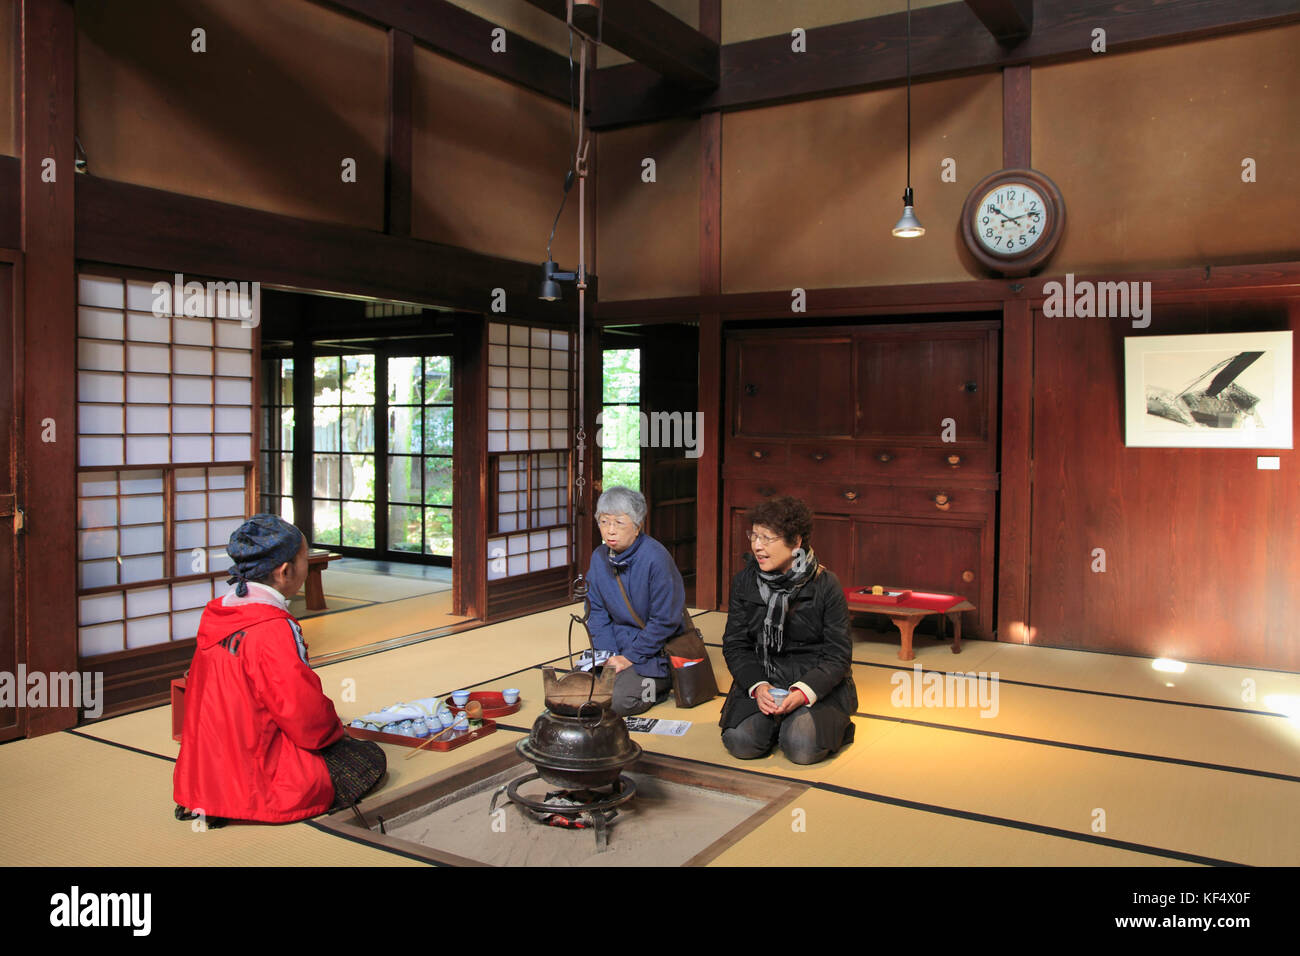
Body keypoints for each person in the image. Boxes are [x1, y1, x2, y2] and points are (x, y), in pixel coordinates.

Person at [173, 514, 385, 825]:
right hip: (259, 781)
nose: (307, 566)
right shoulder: (272, 628)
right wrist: (334, 730)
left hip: (202, 775)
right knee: (369, 759)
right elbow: (302, 715)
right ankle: (243, 805)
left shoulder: (218, 614)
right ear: (285, 571)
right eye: (305, 559)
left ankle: (211, 803)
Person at [719, 496, 856, 765]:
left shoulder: (826, 585)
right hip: (764, 677)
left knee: (802, 749)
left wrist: (803, 692)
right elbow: (736, 645)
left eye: (767, 538)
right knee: (742, 743)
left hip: (813, 682)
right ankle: (774, 720)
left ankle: (794, 724)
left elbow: (837, 656)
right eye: (754, 536)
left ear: (796, 542)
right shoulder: (744, 582)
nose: (757, 546)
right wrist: (758, 687)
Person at [585, 486, 689, 716]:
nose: (610, 530)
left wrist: (630, 657)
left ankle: (662, 686)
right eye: (604, 522)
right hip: (615, 646)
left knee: (618, 703)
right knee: (578, 692)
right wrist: (608, 655)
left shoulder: (656, 558)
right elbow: (596, 613)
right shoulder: (599, 557)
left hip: (654, 651)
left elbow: (665, 620)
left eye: (619, 523)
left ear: (637, 526)